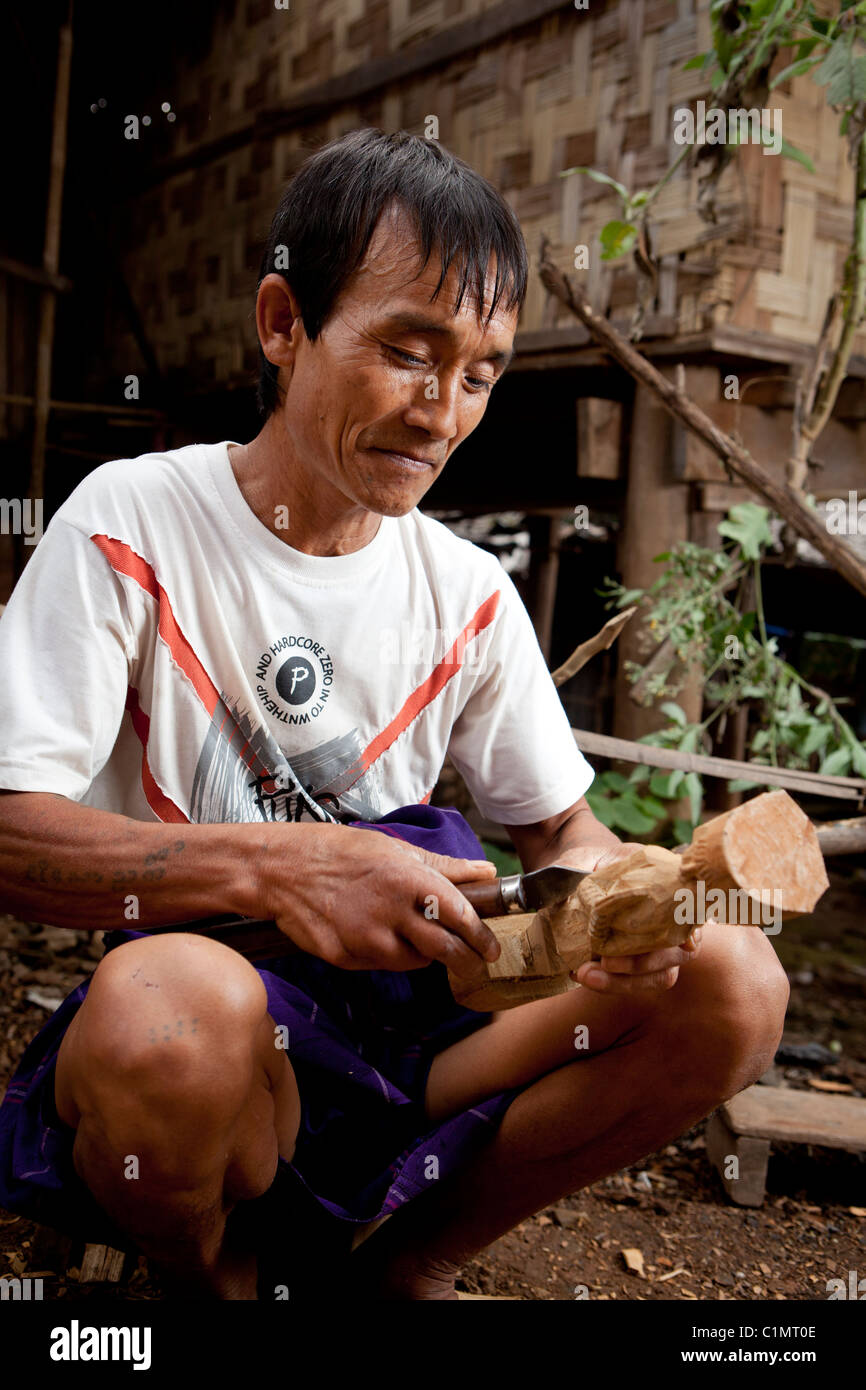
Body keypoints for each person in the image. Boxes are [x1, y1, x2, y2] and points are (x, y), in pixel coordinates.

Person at [0, 129, 788, 1300]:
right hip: (225, 1039)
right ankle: (208, 1273)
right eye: (406, 352)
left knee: (733, 979)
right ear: (282, 324)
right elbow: (14, 835)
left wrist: (617, 908)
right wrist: (286, 870)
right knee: (168, 1018)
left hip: (424, 1048)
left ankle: (407, 1265)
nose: (440, 411)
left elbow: (560, 837)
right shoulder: (135, 520)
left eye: (478, 373)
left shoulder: (463, 590)